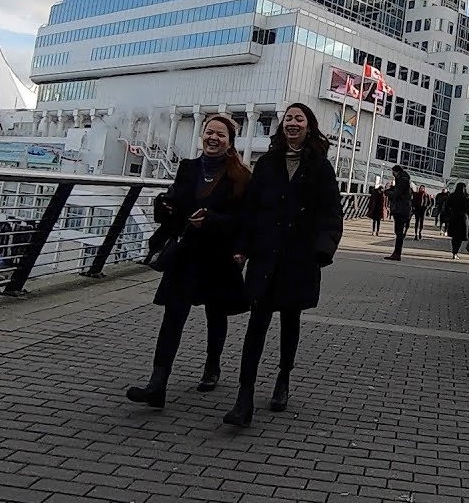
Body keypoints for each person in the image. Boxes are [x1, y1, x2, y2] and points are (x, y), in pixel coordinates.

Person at [225, 103, 343, 427]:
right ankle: (243, 396)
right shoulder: (267, 164)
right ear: (283, 126)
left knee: (290, 321)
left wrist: (322, 250)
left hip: (298, 258)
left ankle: (283, 377)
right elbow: (250, 210)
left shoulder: (320, 167)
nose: (293, 123)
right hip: (265, 254)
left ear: (309, 126)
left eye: (299, 119)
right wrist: (242, 249)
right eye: (288, 118)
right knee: (256, 325)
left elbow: (331, 212)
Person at [126, 115, 251, 409]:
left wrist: (214, 222)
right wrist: (165, 205)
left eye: (220, 134)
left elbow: (244, 219)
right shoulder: (188, 167)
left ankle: (212, 365)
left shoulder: (240, 176)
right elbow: (176, 202)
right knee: (173, 315)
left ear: (230, 141)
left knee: (216, 313)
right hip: (186, 253)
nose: (213, 138)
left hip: (219, 255)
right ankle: (157, 384)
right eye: (209, 132)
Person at [385, 165, 413, 261]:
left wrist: (387, 192)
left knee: (399, 232)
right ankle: (396, 253)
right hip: (403, 209)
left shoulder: (402, 180)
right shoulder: (404, 180)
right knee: (398, 232)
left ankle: (397, 253)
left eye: (393, 172)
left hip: (400, 209)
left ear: (396, 172)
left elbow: (397, 194)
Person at [443, 183, 469, 260]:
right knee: (459, 237)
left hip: (453, 218)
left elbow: (446, 206)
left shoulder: (452, 196)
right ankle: (456, 252)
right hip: (463, 219)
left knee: (454, 237)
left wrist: (448, 215)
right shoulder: (467, 197)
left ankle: (454, 251)